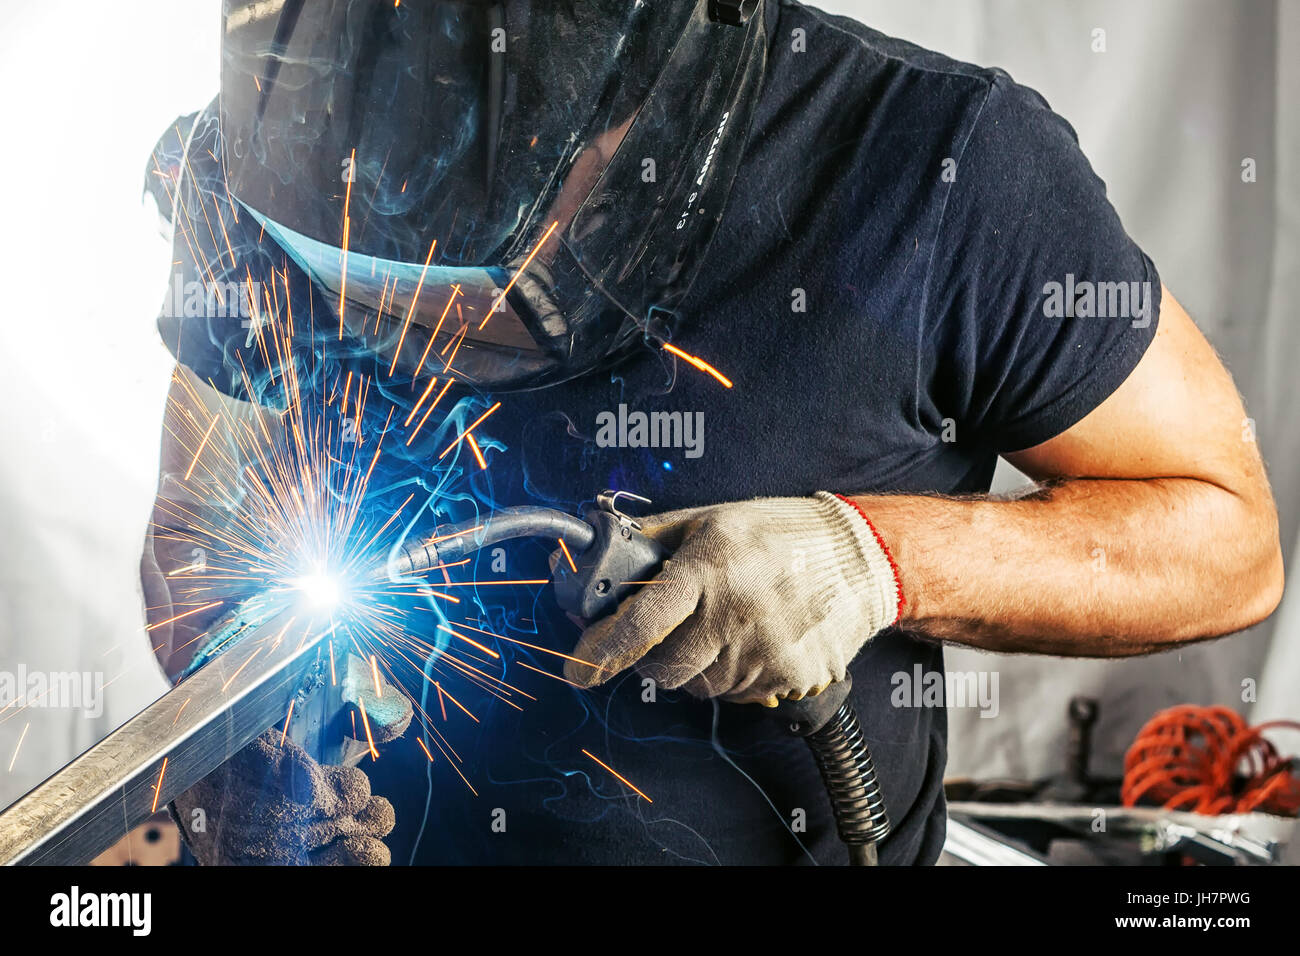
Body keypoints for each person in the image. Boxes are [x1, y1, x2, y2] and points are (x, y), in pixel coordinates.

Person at [142, 0, 1282, 865]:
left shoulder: (935, 161)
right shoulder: (269, 179)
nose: (417, 340)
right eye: (361, 295)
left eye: (474, 296)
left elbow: (1225, 540)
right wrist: (240, 749)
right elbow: (199, 529)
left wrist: (872, 562)